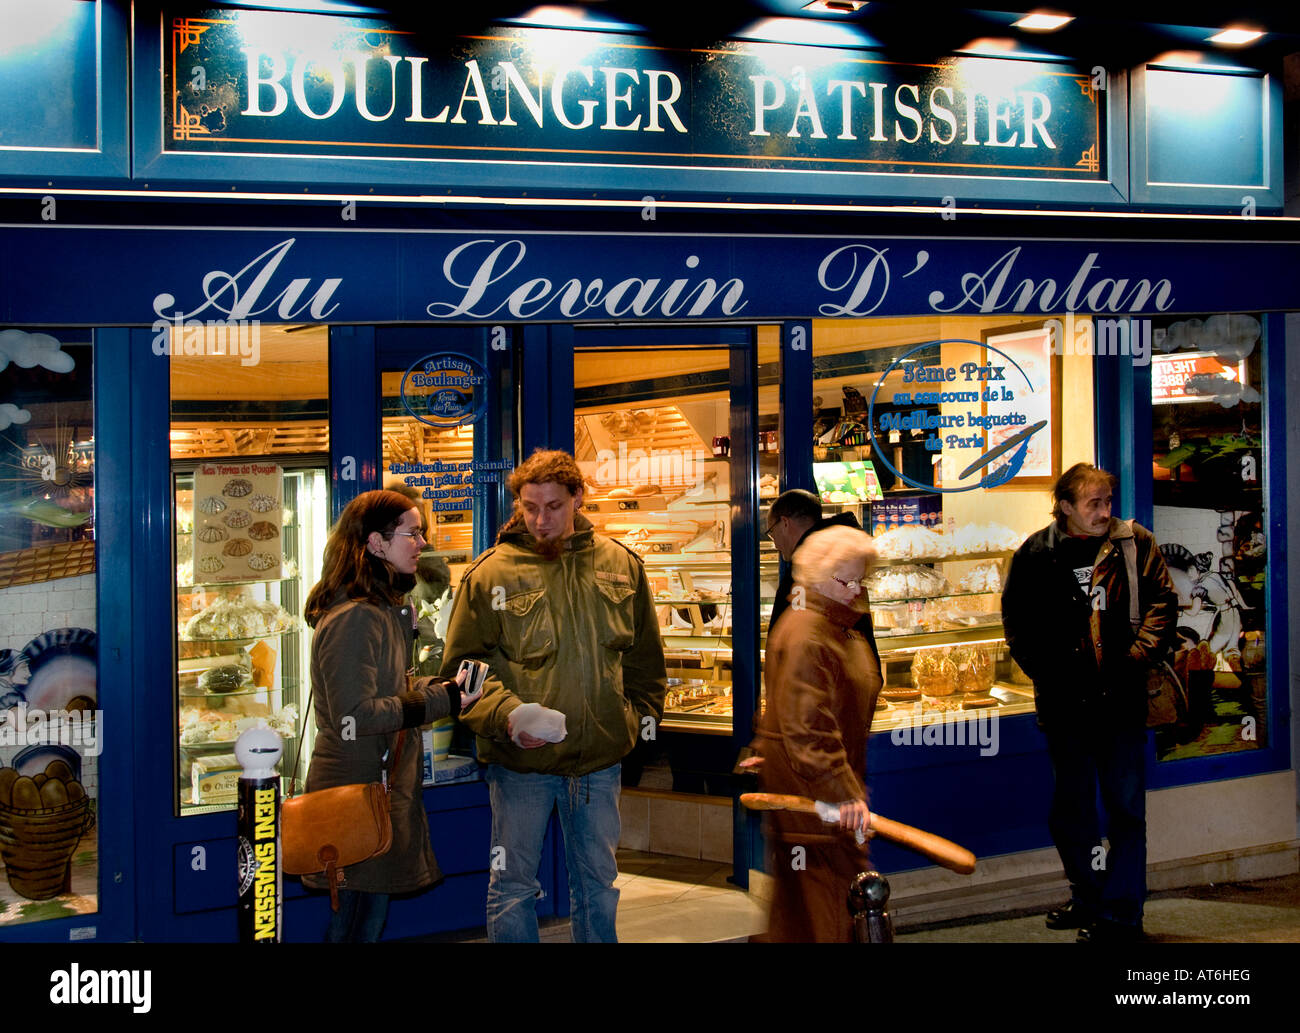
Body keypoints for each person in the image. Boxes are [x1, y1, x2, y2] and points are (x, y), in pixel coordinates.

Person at [440, 449, 667, 942]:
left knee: (599, 887)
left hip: (599, 762)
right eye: (529, 506)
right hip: (520, 767)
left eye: (553, 506)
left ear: (579, 498)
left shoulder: (622, 565)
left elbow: (647, 661)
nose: (541, 519)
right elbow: (462, 671)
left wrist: (633, 721)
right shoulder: (490, 574)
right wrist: (509, 715)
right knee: (513, 886)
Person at [1001, 463, 1177, 943]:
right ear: (1064, 506)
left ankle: (1122, 917)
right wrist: (1052, 673)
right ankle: (1088, 897)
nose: (1104, 512)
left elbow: (1163, 602)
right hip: (1065, 706)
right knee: (1071, 810)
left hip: (1121, 701)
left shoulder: (1134, 543)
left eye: (1107, 502)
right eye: (1093, 503)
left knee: (1124, 811)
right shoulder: (1035, 553)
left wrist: (1133, 660)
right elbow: (1017, 627)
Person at [302, 489, 480, 942]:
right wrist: (443, 702)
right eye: (413, 533)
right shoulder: (357, 616)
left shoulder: (381, 609)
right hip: (356, 794)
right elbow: (355, 715)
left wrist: (444, 688)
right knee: (355, 924)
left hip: (374, 789)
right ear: (376, 543)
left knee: (364, 920)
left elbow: (388, 693)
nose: (422, 543)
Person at [750, 524, 882, 942]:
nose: (855, 591)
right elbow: (807, 724)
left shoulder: (829, 622)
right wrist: (841, 791)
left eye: (862, 579)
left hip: (817, 795)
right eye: (847, 580)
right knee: (821, 909)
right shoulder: (810, 631)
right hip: (812, 802)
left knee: (806, 909)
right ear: (815, 576)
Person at [765, 489, 880, 666]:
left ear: (785, 523)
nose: (776, 544)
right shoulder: (847, 554)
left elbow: (793, 652)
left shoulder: (812, 566)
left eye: (772, 533)